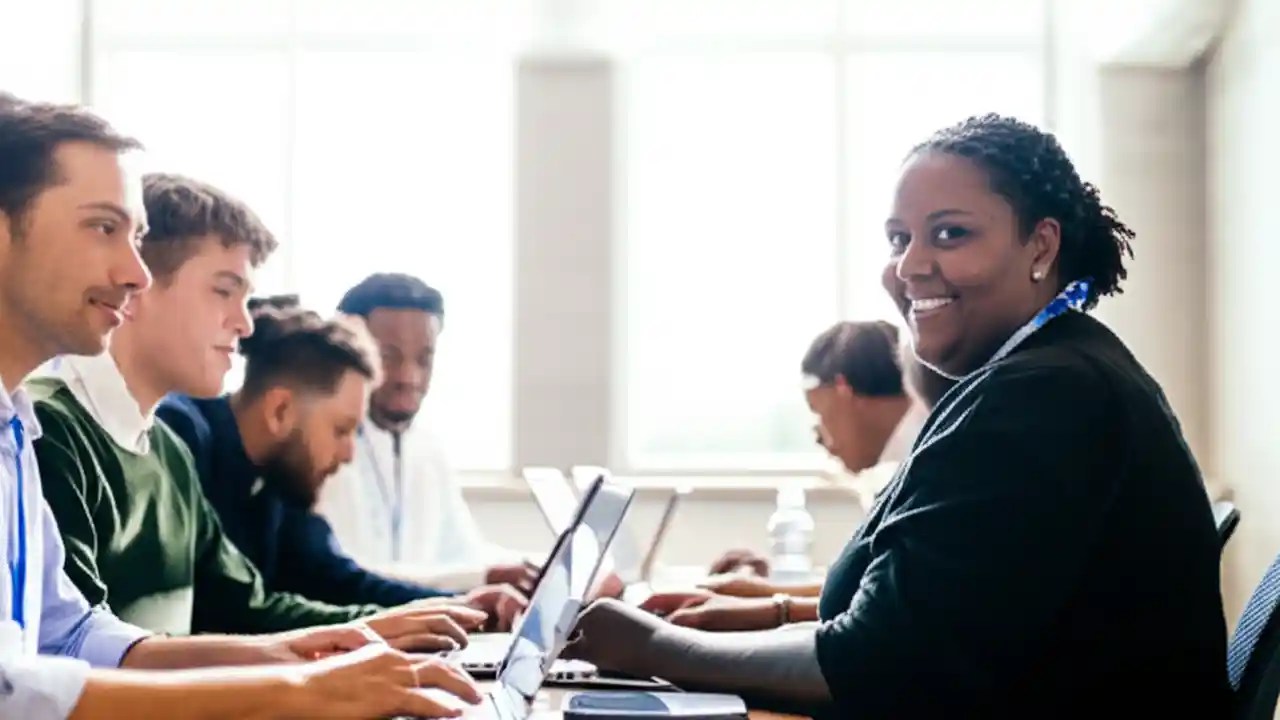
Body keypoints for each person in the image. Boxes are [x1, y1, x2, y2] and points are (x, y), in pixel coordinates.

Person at [566, 114, 1230, 718]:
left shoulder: (1041, 398)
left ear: (1041, 246)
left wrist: (652, 646)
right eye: (897, 237)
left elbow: (878, 664)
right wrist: (743, 619)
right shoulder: (1055, 372)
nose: (909, 266)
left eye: (950, 233)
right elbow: (903, 625)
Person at [0, 92, 478, 719]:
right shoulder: (53, 427)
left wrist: (288, 654)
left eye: (137, 238)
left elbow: (74, 636)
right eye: (102, 228)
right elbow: (16, 691)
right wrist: (298, 690)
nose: (135, 273)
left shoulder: (16, 428)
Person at [157, 299, 524, 627]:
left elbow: (337, 581)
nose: (349, 453)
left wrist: (457, 608)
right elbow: (234, 609)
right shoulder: (181, 438)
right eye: (341, 429)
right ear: (280, 410)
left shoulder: (278, 480)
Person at [317, 273, 534, 592]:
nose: (409, 376)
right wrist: (482, 579)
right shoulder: (320, 446)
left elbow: (465, 552)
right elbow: (345, 576)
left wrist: (538, 568)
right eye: (388, 357)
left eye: (424, 358)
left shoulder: (428, 447)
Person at [709, 320, 933, 577]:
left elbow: (880, 605)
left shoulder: (925, 468)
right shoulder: (904, 461)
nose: (817, 437)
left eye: (818, 414)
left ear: (842, 390)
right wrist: (768, 588)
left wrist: (766, 600)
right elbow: (870, 589)